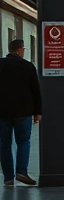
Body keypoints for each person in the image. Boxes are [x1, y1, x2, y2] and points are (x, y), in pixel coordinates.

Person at [0, 39, 41, 186]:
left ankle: (8, 177)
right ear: (18, 50)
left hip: (2, 112)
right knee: (23, 141)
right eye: (23, 49)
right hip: (23, 111)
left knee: (4, 144)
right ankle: (21, 172)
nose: (24, 51)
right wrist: (37, 112)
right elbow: (36, 91)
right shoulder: (28, 66)